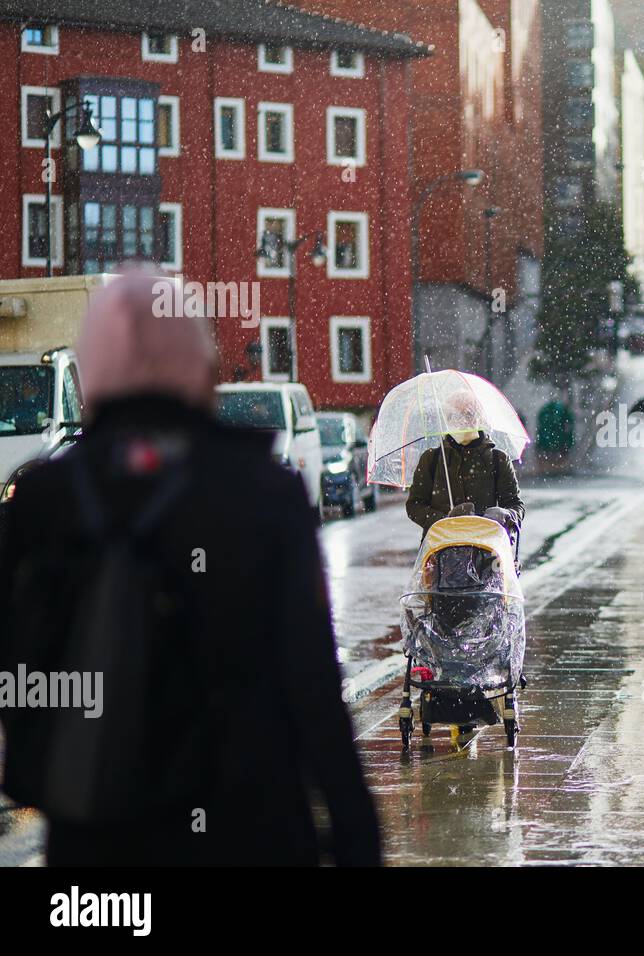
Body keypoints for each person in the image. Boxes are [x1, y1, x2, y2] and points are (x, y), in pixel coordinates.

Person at [0, 269, 381, 865]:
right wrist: (356, 830)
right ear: (198, 362)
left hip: (97, 838)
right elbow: (310, 683)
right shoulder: (263, 493)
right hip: (248, 827)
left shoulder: (45, 498)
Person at [405, 398, 525, 540]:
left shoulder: (498, 459)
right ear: (447, 420)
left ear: (479, 418)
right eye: (455, 415)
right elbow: (415, 505)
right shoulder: (432, 459)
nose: (462, 421)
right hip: (440, 548)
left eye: (468, 414)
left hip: (487, 548)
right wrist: (445, 520)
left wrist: (507, 515)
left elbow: (515, 504)